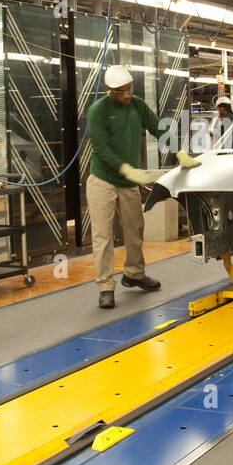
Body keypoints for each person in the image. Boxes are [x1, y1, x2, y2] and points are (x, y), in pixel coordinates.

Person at [87, 65, 200, 309]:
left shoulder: (136, 105)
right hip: (103, 180)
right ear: (109, 91)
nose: (126, 95)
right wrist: (126, 168)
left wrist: (178, 152)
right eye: (121, 92)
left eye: (129, 89)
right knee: (103, 236)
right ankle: (105, 286)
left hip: (127, 182)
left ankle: (134, 274)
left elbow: (158, 128)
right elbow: (101, 148)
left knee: (135, 229)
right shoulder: (98, 111)